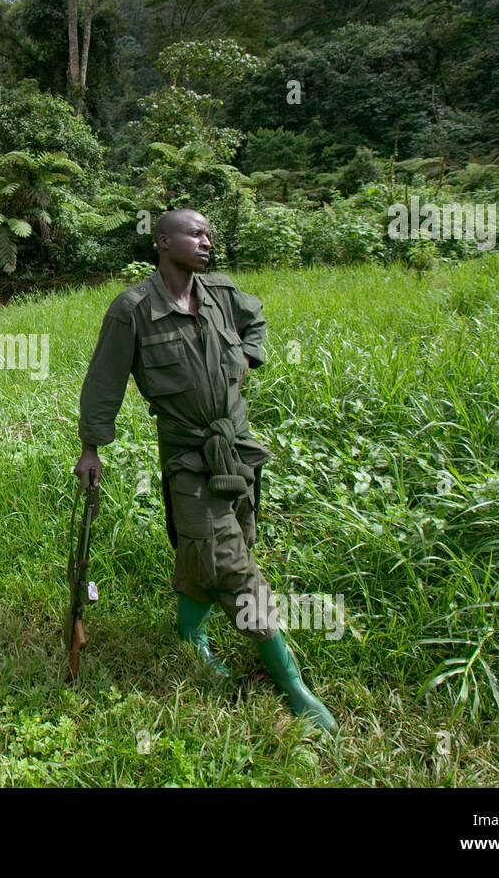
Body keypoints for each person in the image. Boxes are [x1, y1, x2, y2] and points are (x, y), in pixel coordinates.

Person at [74, 208, 336, 734]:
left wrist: (249, 357)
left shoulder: (220, 292)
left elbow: (255, 319)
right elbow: (105, 381)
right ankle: (293, 685)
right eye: (195, 233)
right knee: (232, 567)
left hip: (237, 449)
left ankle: (189, 635)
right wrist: (91, 447)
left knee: (228, 544)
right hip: (188, 458)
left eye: (209, 234)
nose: (206, 241)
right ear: (163, 241)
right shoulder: (133, 309)